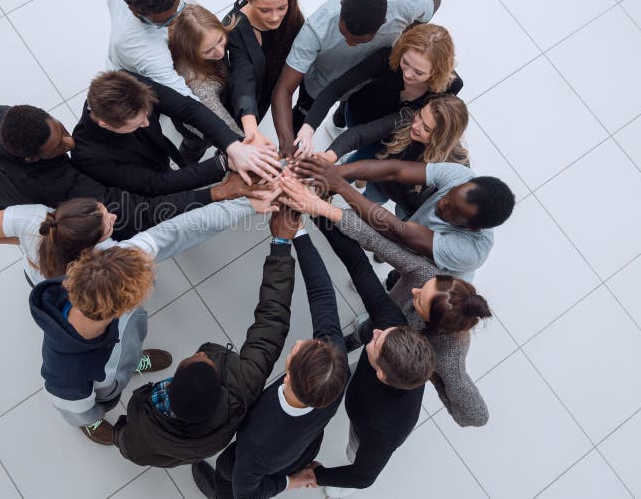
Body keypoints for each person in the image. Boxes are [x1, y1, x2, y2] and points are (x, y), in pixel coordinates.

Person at [280, 177, 492, 428]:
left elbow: (477, 417)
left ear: (433, 324)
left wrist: (435, 378)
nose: (413, 289)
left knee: (370, 344)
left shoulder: (449, 356)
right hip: (385, 320)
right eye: (422, 289)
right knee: (367, 330)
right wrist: (319, 207)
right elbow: (375, 241)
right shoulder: (426, 275)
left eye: (419, 300)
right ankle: (355, 339)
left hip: (396, 357)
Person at [276, 175, 435, 496]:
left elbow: (364, 476)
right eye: (382, 334)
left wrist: (319, 478)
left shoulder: (385, 429)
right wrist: (314, 209)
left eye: (375, 342)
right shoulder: (394, 327)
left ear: (382, 373)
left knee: (354, 452)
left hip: (362, 422)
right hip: (361, 385)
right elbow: (359, 266)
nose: (373, 331)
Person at [112, 208, 300, 467]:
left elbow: (273, 320)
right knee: (166, 455)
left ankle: (115, 434)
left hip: (142, 440)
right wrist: (281, 246)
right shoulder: (243, 385)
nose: (201, 353)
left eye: (193, 360)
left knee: (128, 443)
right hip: (192, 448)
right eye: (204, 360)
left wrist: (121, 430)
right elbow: (272, 321)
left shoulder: (145, 415)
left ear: (174, 379)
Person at [192, 227, 349, 499]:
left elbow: (248, 492)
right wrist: (298, 233)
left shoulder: (258, 445)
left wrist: (291, 482)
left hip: (270, 463)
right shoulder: (334, 371)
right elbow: (323, 297)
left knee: (227, 471)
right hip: (304, 446)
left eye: (298, 350)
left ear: (288, 377)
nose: (299, 343)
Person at [0, 104, 265, 240]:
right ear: (33, 159)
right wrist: (217, 192)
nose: (69, 141)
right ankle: (138, 362)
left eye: (60, 129)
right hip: (26, 206)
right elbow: (138, 211)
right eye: (57, 149)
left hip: (2, 195)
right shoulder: (61, 184)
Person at [106, 0, 277, 174]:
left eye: (179, 5)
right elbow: (192, 105)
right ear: (135, 11)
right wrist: (241, 145)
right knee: (191, 141)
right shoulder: (147, 54)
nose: (179, 17)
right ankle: (179, 166)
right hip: (134, 75)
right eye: (168, 21)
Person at [0, 191, 279, 286]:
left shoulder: (32, 220)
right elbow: (182, 228)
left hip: (38, 279)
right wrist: (247, 205)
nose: (113, 217)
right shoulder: (112, 259)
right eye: (108, 223)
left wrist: (22, 243)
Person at [270, 0, 441, 156]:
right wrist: (286, 144)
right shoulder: (317, 28)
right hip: (321, 83)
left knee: (351, 105)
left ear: (383, 23)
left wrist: (411, 38)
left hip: (367, 77)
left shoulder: (403, 6)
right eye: (344, 35)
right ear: (342, 4)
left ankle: (338, 119)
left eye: (359, 41)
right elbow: (284, 89)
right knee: (303, 115)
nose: (350, 43)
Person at [30, 246, 171, 445]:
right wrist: (90, 415)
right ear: (124, 307)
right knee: (88, 410)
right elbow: (73, 406)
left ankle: (132, 363)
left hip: (120, 351)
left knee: (126, 352)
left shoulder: (92, 284)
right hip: (102, 386)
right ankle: (91, 423)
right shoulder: (68, 372)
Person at [294, 156, 515, 280]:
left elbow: (399, 232)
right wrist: (337, 171)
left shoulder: (469, 251)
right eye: (447, 195)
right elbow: (395, 170)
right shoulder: (462, 177)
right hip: (413, 233)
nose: (441, 203)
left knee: (400, 282)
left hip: (433, 276)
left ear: (471, 228)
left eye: (450, 212)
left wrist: (340, 185)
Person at [71, 70, 278, 194]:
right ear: (106, 125)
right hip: (147, 185)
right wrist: (224, 162)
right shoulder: (88, 156)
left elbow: (188, 109)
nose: (147, 123)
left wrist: (233, 145)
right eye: (136, 123)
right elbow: (155, 185)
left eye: (147, 114)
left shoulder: (125, 81)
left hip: (163, 153)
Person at [295, 23, 461, 157]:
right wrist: (309, 126)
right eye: (405, 62)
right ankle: (338, 121)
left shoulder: (449, 87)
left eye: (419, 72)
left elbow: (368, 133)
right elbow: (336, 88)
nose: (408, 74)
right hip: (361, 108)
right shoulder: (387, 58)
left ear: (437, 72)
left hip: (391, 130)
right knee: (345, 113)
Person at [320, 93, 469, 216]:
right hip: (380, 182)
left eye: (426, 128)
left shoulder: (456, 166)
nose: (415, 126)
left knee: (396, 220)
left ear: (442, 138)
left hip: (410, 205)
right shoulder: (407, 119)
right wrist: (332, 154)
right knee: (365, 205)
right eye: (420, 115)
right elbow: (360, 134)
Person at [225, 0, 304, 149]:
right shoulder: (234, 26)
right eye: (265, 10)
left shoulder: (292, 12)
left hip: (275, 81)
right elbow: (241, 76)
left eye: (281, 8)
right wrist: (251, 129)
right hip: (252, 91)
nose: (275, 17)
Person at [168, 4, 243, 163]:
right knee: (194, 146)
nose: (220, 52)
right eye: (208, 51)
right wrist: (245, 145)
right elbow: (221, 124)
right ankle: (183, 166)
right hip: (194, 126)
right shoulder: (197, 82)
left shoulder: (192, 17)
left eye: (220, 40)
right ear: (191, 52)